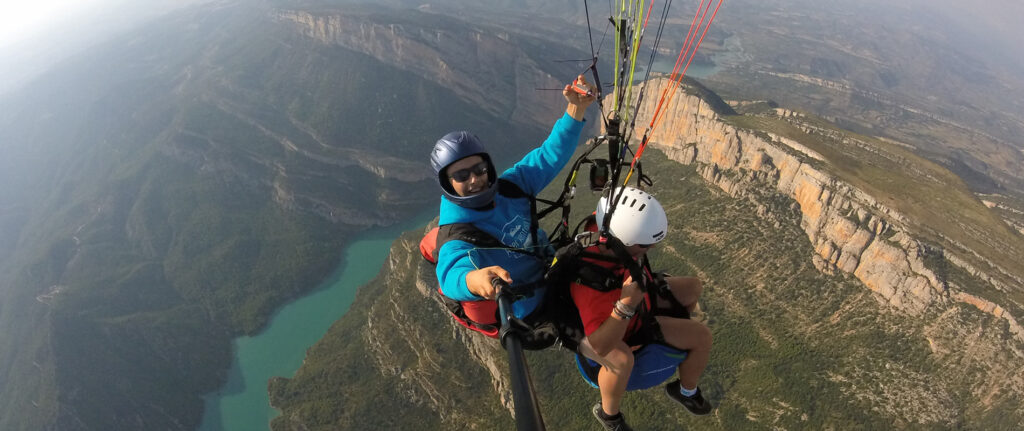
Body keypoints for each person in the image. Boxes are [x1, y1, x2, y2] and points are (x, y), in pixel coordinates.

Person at [429, 75, 596, 342]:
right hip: (532, 308)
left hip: (553, 269)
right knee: (607, 338)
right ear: (447, 183)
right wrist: (476, 280)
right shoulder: (458, 232)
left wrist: (576, 110)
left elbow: (547, 156)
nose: (474, 179)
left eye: (479, 169)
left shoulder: (510, 186)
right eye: (461, 176)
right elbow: (451, 272)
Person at [570, 187, 713, 430]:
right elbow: (600, 345)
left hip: (636, 303)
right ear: (626, 241)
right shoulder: (592, 279)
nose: (652, 248)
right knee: (702, 338)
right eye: (646, 244)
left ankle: (671, 338)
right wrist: (626, 305)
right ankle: (613, 414)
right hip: (613, 330)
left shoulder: (606, 226)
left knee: (693, 287)